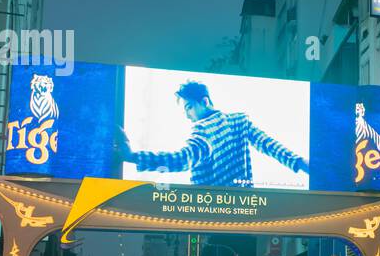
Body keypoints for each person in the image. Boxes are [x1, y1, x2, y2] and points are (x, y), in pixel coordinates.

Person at [118, 80, 309, 189]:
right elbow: (267, 144)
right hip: (247, 212)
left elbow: (182, 159)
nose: (188, 115)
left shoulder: (204, 129)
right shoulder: (239, 121)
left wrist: (132, 156)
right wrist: (300, 163)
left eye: (189, 107)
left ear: (205, 101)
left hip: (216, 216)